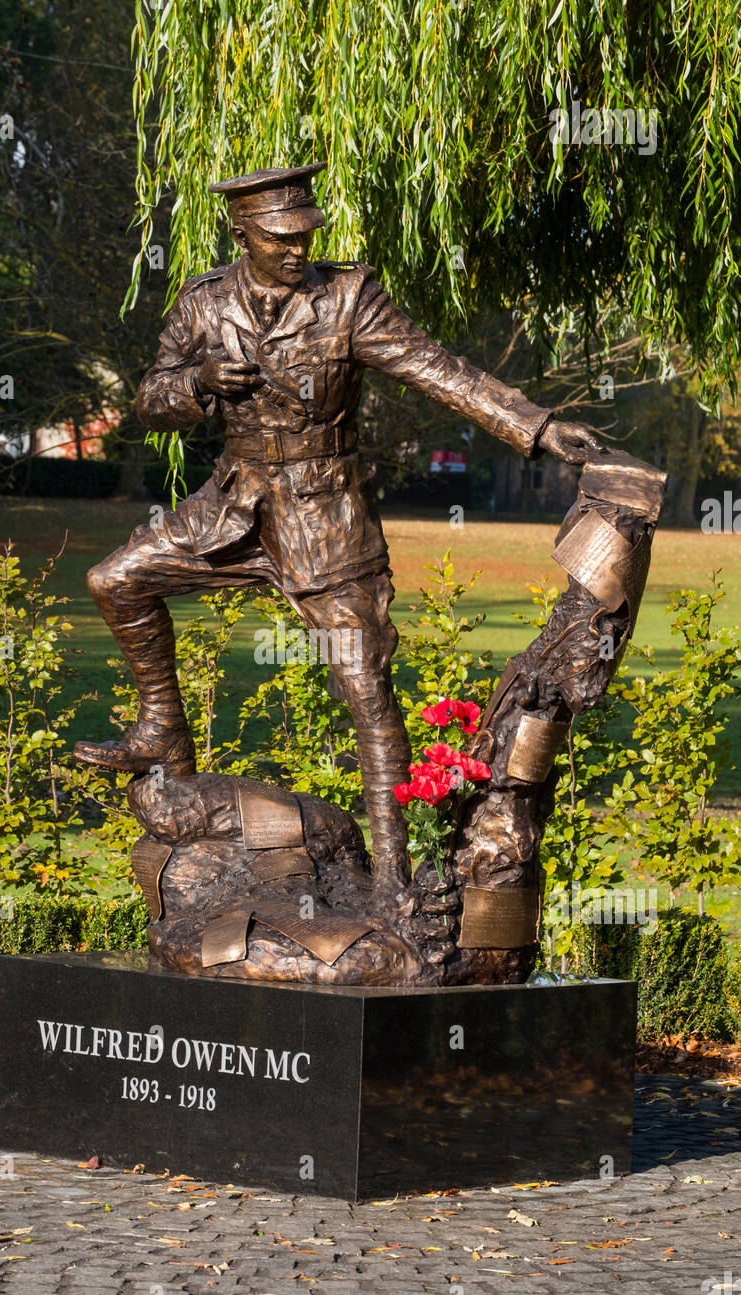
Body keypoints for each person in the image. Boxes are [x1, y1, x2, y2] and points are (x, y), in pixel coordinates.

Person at [74, 163, 597, 889]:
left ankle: (392, 876)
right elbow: (151, 399)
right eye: (279, 239)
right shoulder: (203, 303)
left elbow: (439, 371)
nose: (296, 251)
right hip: (233, 504)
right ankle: (162, 723)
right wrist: (196, 384)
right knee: (116, 581)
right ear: (242, 234)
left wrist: (537, 430)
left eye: (304, 236)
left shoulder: (347, 298)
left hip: (324, 513)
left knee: (363, 687)